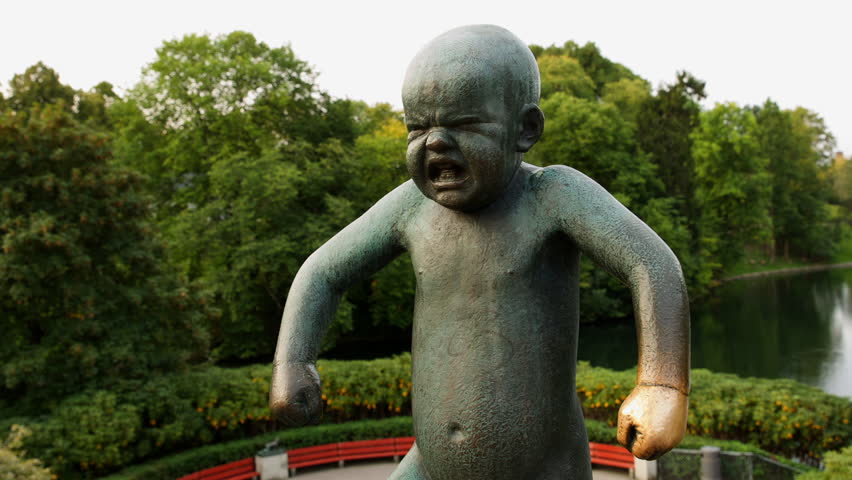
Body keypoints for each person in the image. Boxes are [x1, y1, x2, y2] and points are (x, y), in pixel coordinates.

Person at [270, 24, 690, 480]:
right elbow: (322, 272)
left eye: (466, 124)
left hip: (542, 469)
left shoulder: (552, 196)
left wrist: (661, 384)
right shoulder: (411, 207)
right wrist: (293, 360)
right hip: (429, 466)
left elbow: (650, 264)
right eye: (417, 128)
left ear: (525, 129)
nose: (434, 142)